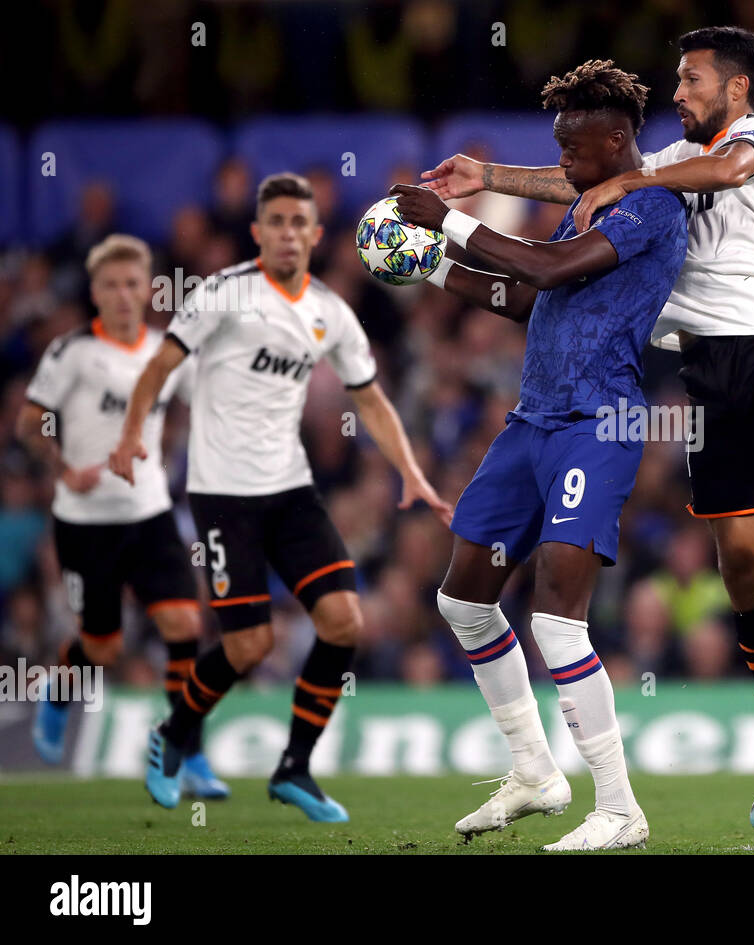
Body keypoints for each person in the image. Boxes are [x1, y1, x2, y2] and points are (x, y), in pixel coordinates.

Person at [424, 26, 754, 829]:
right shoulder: (659, 168)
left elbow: (710, 170)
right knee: (745, 573)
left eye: (692, 80)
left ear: (736, 89)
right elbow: (579, 174)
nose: (678, 93)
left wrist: (625, 178)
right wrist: (486, 177)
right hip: (706, 372)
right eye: (677, 82)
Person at [389, 58, 687, 850]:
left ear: (617, 139)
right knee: (463, 600)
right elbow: (528, 296)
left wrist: (448, 219)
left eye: (573, 149)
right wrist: (432, 266)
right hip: (533, 421)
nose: (562, 163)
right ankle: (534, 769)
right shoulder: (588, 202)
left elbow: (548, 266)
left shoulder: (651, 208)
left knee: (557, 615)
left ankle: (621, 807)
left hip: (600, 421)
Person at [108, 173, 453, 822]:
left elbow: (370, 397)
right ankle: (173, 732)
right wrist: (132, 436)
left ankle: (294, 766)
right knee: (249, 645)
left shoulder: (330, 311)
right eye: (278, 222)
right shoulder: (222, 295)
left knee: (346, 619)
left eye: (300, 222)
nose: (289, 233)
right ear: (258, 232)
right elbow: (159, 365)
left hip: (291, 490)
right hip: (222, 494)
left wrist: (410, 469)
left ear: (317, 235)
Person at [18, 233, 227, 799]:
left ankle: (188, 752)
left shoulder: (165, 353)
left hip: (150, 511)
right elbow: (30, 420)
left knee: (185, 626)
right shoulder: (72, 352)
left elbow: (206, 401)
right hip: (85, 521)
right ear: (95, 291)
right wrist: (62, 465)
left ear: (149, 288)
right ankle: (59, 693)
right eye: (111, 284)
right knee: (103, 647)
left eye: (133, 282)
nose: (123, 294)